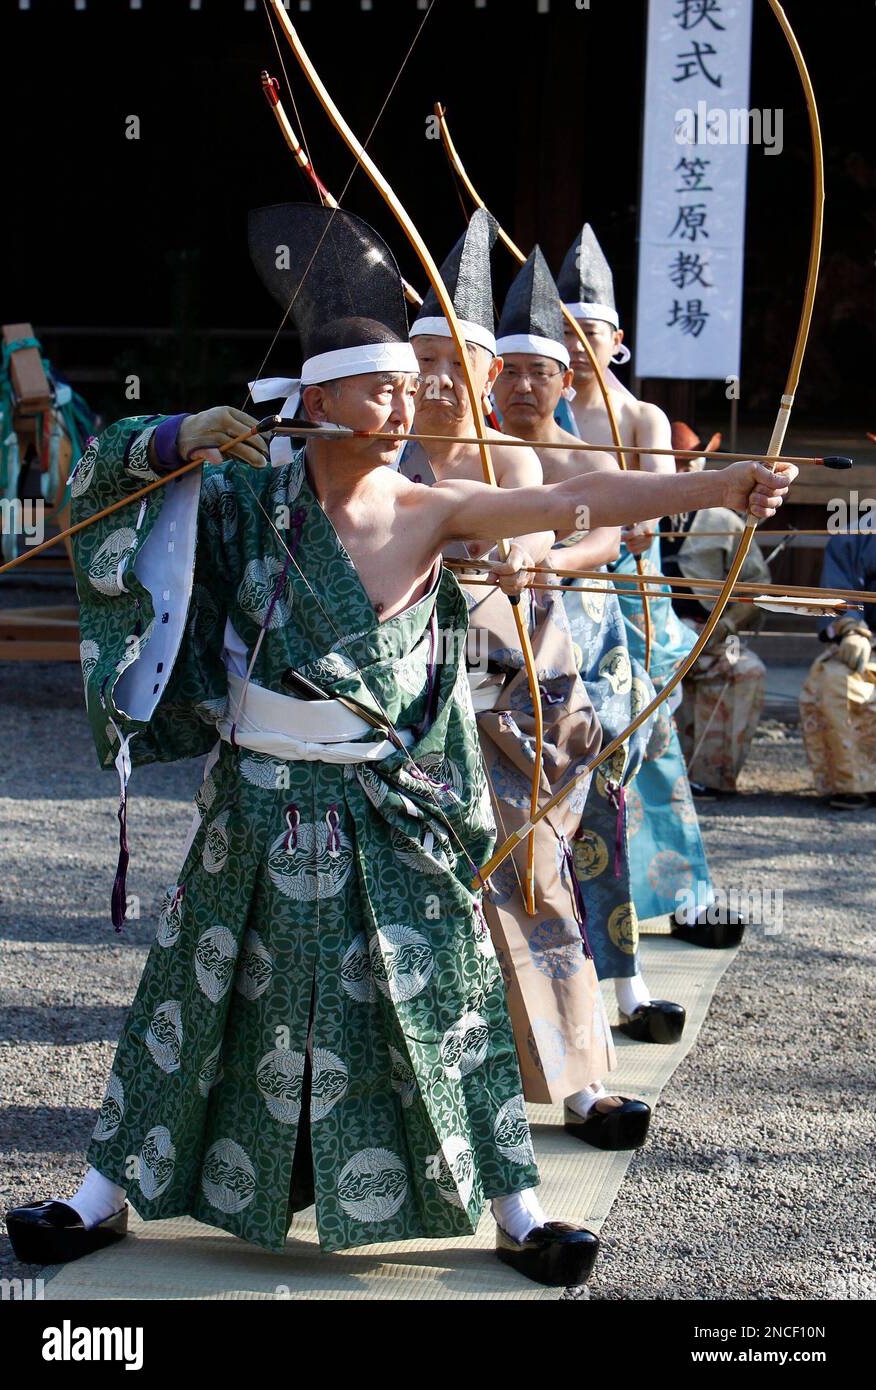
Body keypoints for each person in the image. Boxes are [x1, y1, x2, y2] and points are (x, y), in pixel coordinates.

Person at [5, 204, 793, 1289]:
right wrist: (182, 435)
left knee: (448, 1000)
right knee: (197, 993)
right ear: (315, 400)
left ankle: (517, 1212)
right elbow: (95, 478)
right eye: (380, 386)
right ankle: (102, 1194)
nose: (409, 399)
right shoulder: (246, 497)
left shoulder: (426, 508)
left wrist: (715, 486)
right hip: (259, 800)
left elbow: (577, 497)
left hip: (387, 801)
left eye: (410, 386)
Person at [403, 220, 650, 1151]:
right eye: (416, 360)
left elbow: (577, 533)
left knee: (539, 883)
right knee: (426, 900)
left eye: (447, 361)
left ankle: (580, 1081)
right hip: (420, 712)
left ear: (483, 373)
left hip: (521, 705)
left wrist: (529, 563)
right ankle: (432, 1091)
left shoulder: (514, 460)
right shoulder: (392, 467)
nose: (429, 381)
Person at [491, 246, 685, 1050]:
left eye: (545, 371)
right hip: (498, 659)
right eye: (513, 370)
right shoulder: (472, 450)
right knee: (502, 824)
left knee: (596, 813)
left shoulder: (586, 455)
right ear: (490, 378)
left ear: (567, 383)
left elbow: (610, 536)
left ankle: (627, 983)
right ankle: (514, 1012)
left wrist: (549, 560)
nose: (529, 384)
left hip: (589, 658)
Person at [556, 225, 743, 950]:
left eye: (590, 331)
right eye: (563, 333)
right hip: (564, 594)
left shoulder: (640, 416)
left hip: (633, 596)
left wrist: (630, 527)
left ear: (618, 338)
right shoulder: (538, 411)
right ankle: (572, 894)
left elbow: (663, 503)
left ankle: (686, 894)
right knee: (566, 748)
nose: (576, 346)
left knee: (648, 741)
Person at [663, 421, 770, 797]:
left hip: (709, 633)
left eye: (691, 461)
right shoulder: (637, 513)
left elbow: (756, 587)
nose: (683, 469)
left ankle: (712, 778)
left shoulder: (724, 520)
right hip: (649, 635)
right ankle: (656, 781)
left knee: (746, 669)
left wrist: (722, 628)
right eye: (674, 462)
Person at [799, 532, 876, 810]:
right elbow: (839, 594)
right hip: (868, 642)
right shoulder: (855, 537)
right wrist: (852, 630)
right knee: (834, 680)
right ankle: (854, 785)